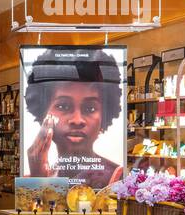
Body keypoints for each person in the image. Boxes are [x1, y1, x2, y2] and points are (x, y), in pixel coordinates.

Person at [24, 48, 124, 188]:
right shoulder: (38, 174)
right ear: (43, 113)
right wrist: (37, 178)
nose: (77, 120)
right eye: (63, 106)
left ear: (105, 115)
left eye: (90, 108)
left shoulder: (117, 178)